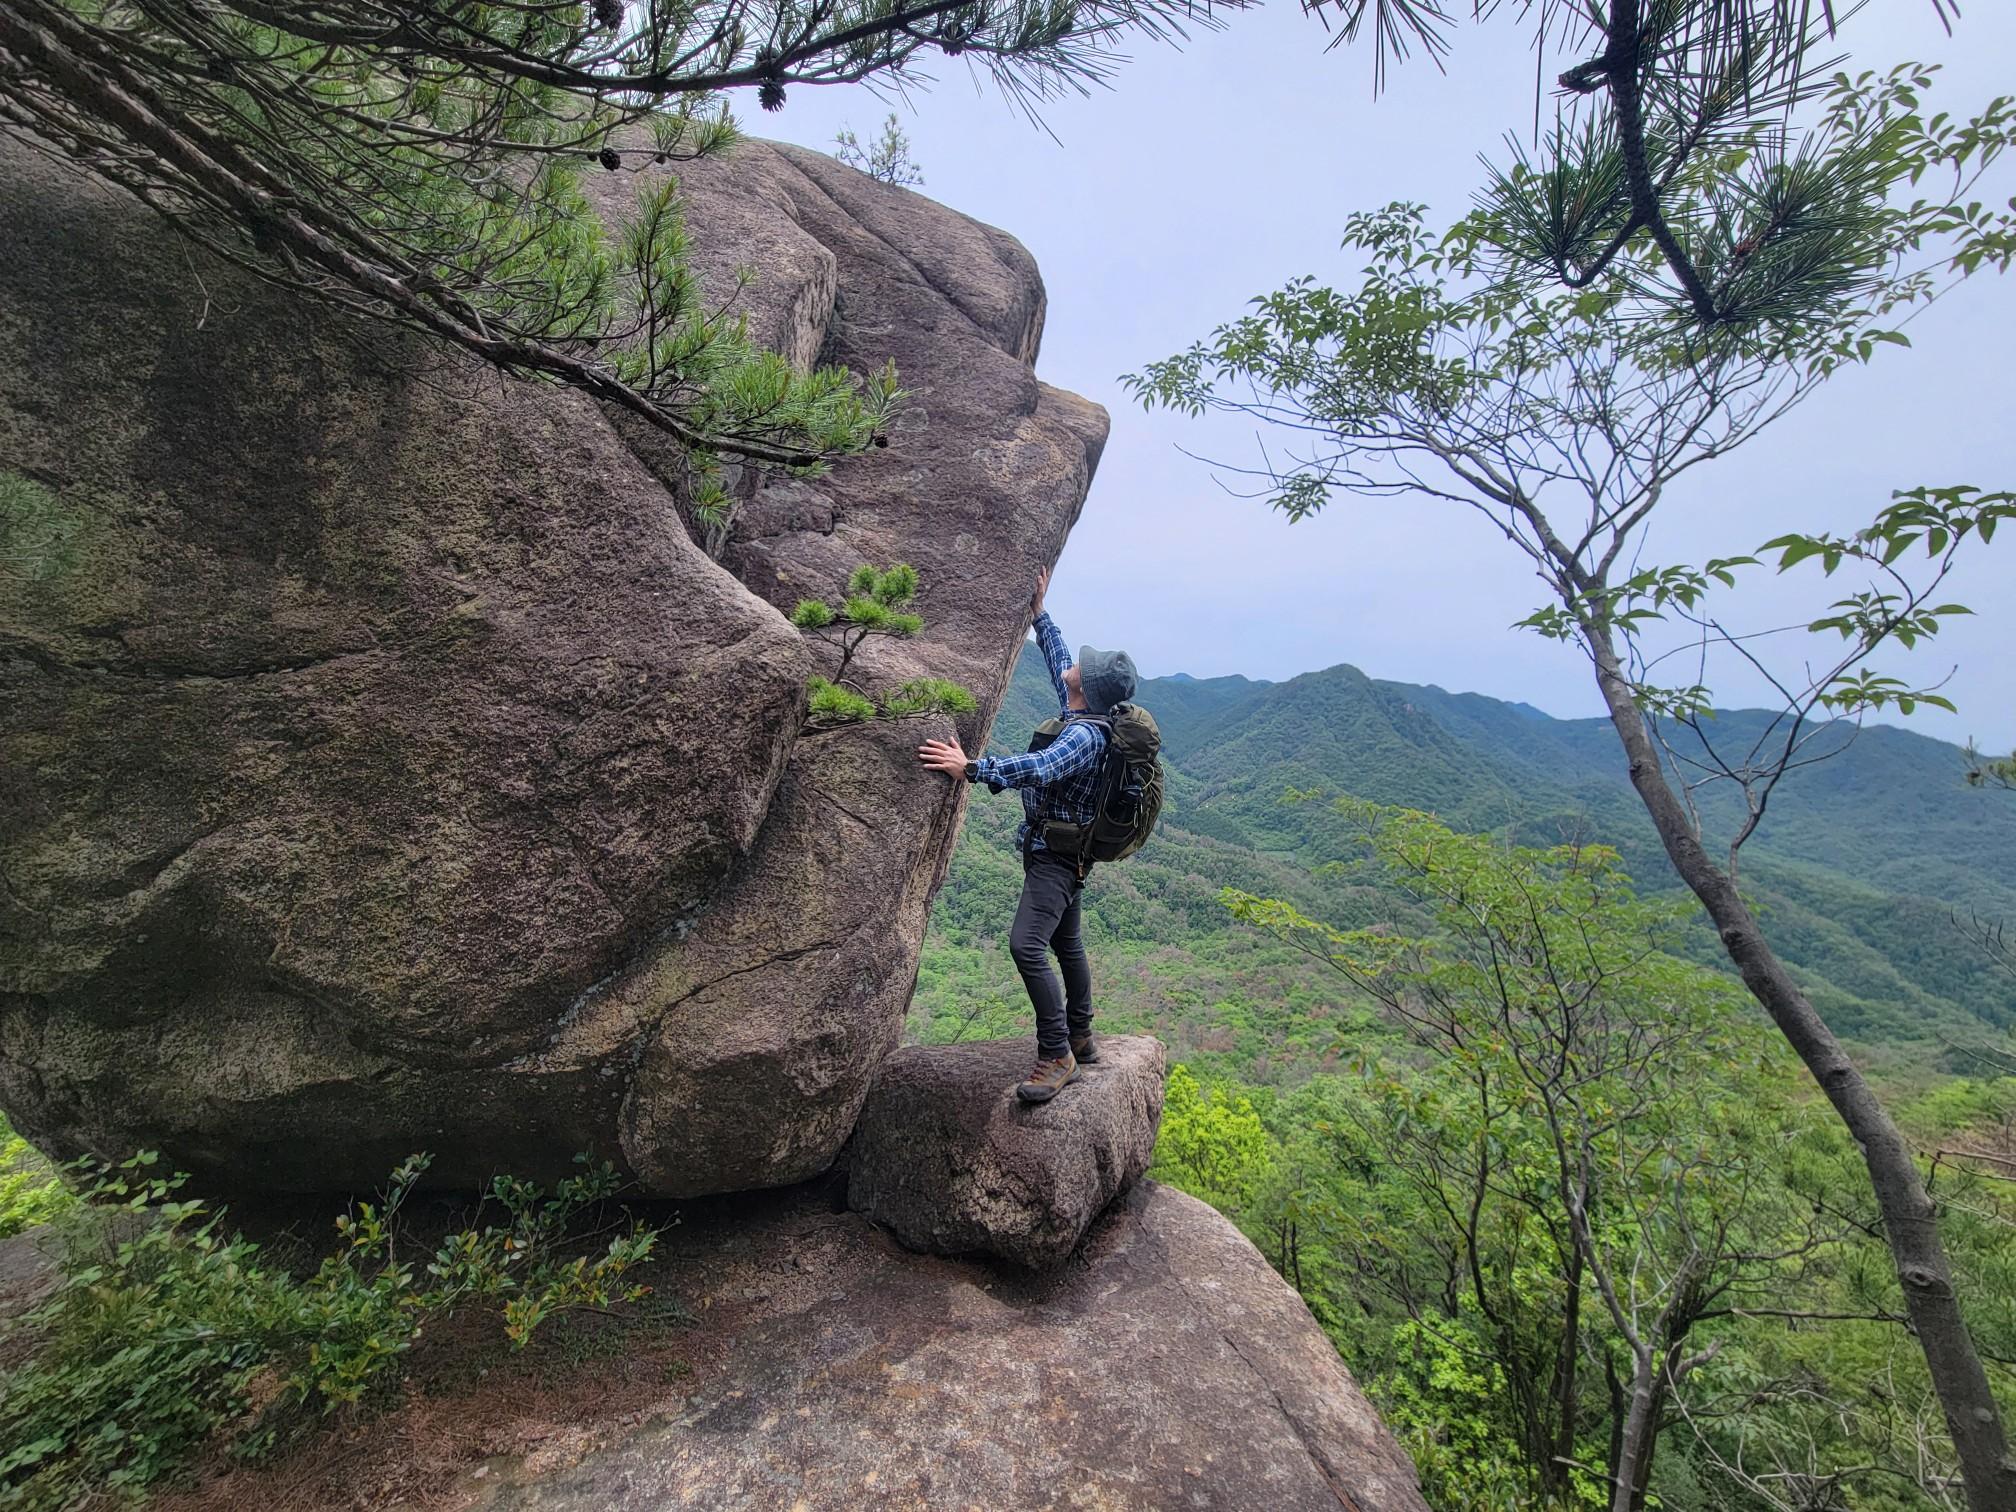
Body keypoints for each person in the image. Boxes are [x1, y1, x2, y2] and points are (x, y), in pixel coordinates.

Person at [918, 567, 1138, 1103]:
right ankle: (1082, 1036)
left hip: (1056, 861)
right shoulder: (1088, 712)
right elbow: (1059, 663)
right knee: (1068, 943)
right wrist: (1041, 615)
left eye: (1085, 668)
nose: (1076, 666)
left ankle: (1057, 1053)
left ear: (1089, 688)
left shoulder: (1086, 736)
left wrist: (970, 768)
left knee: (1028, 945)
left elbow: (1039, 767)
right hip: (1069, 855)